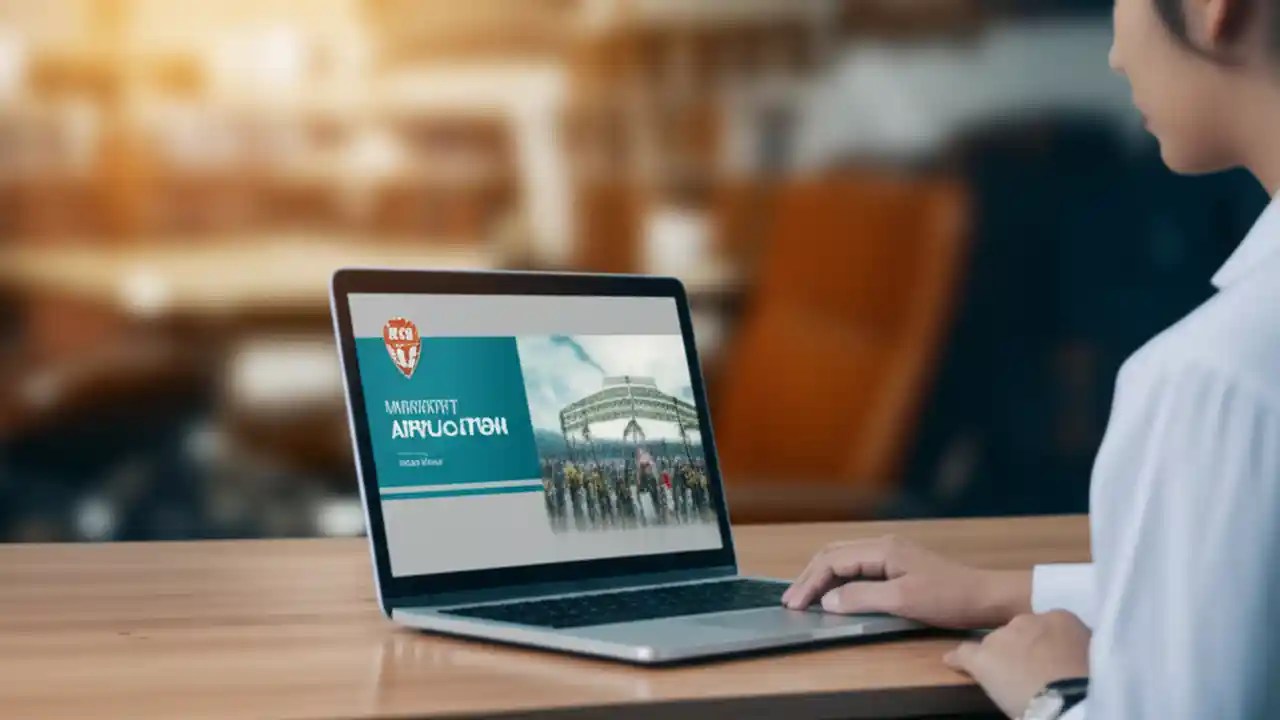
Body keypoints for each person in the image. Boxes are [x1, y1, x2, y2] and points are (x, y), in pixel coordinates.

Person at [784, 0, 1280, 717]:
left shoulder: (1211, 380)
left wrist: (1058, 696)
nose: (1114, 53)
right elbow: (1246, 597)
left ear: (1213, 9)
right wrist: (993, 591)